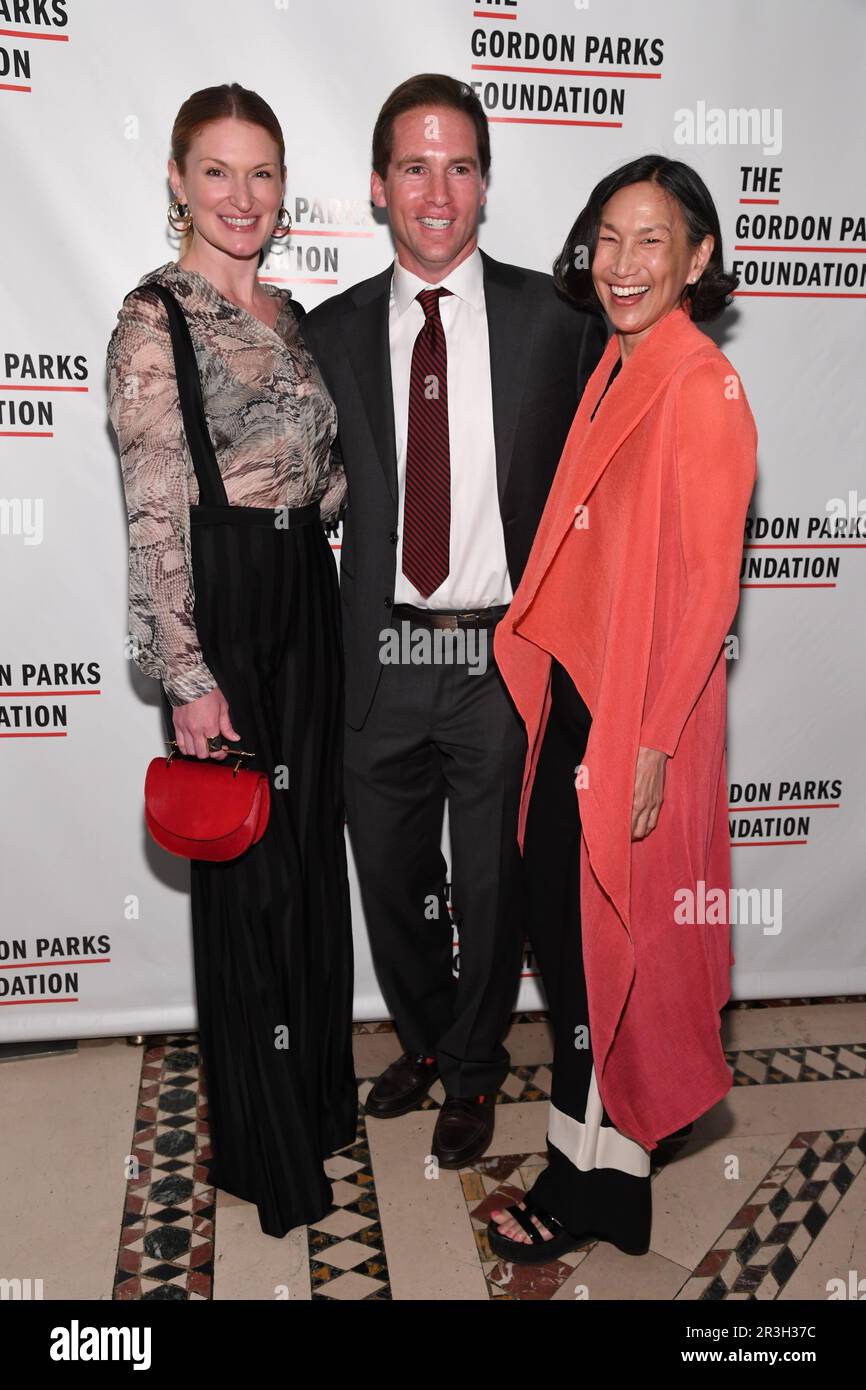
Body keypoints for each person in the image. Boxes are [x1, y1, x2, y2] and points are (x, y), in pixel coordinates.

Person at [302, 74, 606, 1169]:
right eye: (415, 167)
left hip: (499, 652)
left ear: (484, 182)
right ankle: (429, 1039)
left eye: (461, 165)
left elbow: (608, 485)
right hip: (379, 649)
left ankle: (474, 1068)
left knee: (487, 880)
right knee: (389, 878)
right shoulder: (325, 333)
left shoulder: (553, 320)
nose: (439, 190)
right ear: (378, 187)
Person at [489, 155, 758, 1261]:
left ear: (697, 259)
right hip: (581, 702)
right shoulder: (617, 363)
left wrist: (644, 738)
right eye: (606, 236)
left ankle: (596, 1189)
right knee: (569, 933)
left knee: (612, 949)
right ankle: (580, 1159)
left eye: (651, 239)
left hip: (636, 723)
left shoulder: (700, 383)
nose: (622, 261)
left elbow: (704, 587)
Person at [106, 83, 357, 1239]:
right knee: (247, 875)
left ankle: (310, 1109)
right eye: (217, 172)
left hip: (305, 588)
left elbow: (321, 476)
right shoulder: (153, 318)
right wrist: (187, 671)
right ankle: (265, 1149)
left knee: (304, 858)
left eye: (261, 173)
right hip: (226, 598)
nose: (241, 196)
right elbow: (154, 506)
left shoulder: (293, 314)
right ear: (176, 181)